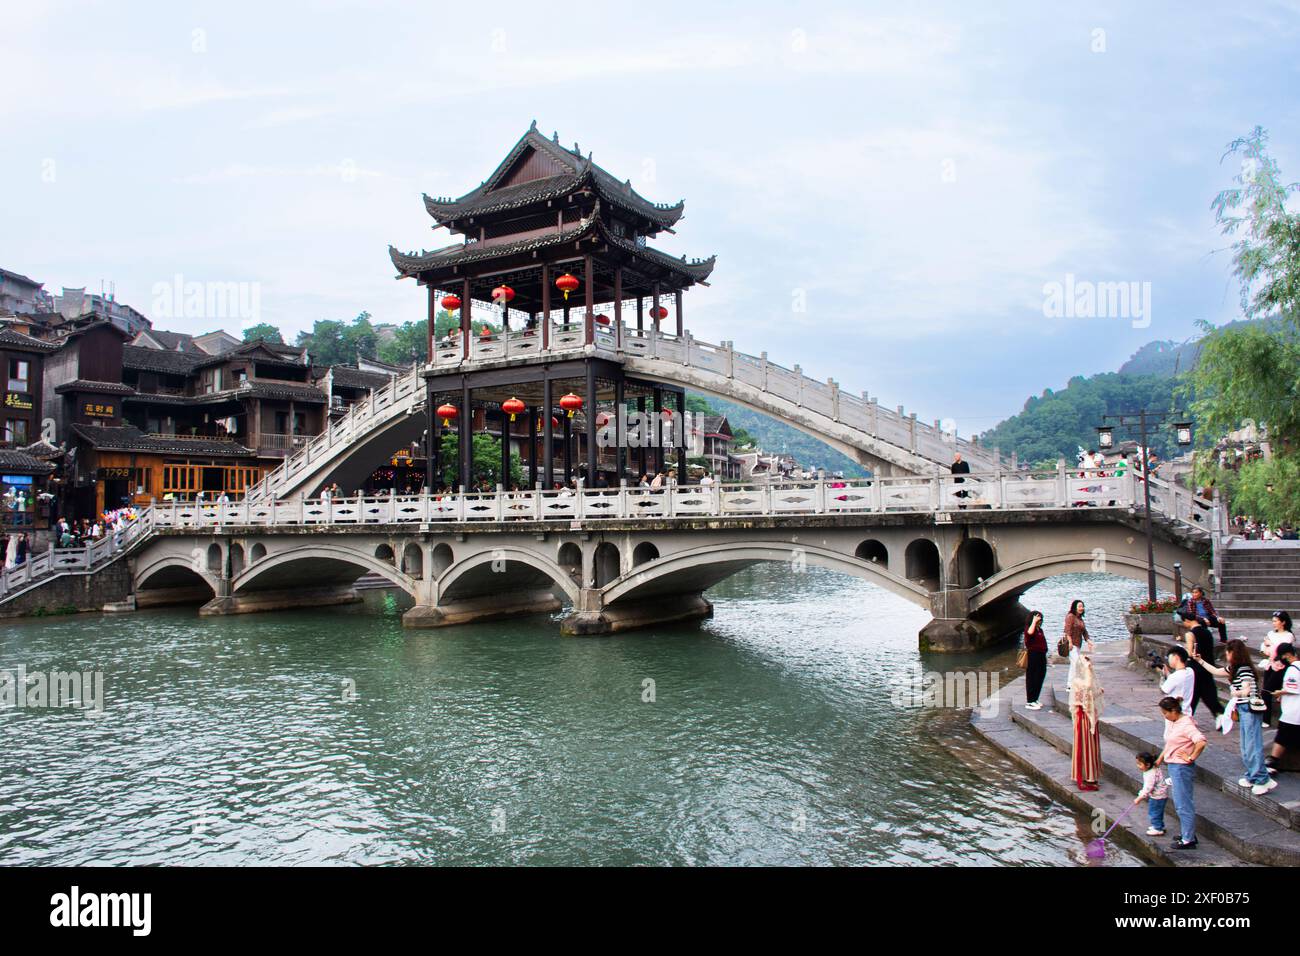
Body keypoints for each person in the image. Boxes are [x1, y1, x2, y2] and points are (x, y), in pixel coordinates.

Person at [1199, 639, 1276, 794]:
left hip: (1249, 709)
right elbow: (1215, 671)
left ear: (1234, 653)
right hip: (1243, 709)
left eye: (1228, 652)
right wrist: (1200, 661)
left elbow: (1246, 690)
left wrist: (1235, 692)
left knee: (1252, 745)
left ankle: (1262, 779)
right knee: (1246, 746)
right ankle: (1252, 776)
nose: (1227, 655)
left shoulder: (1244, 670)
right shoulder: (1235, 668)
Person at [1156, 696, 1206, 850]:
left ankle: (1188, 839)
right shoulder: (1175, 722)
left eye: (1165, 713)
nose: (1165, 716)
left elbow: (1201, 741)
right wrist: (1159, 759)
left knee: (1183, 804)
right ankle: (1187, 833)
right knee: (1181, 802)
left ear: (1173, 711)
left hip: (1181, 768)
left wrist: (1190, 757)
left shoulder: (1186, 725)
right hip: (1173, 765)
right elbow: (1171, 743)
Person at [1069, 631, 1102, 791]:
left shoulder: (1081, 680)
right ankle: (1086, 775)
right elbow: (1088, 686)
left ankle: (1091, 774)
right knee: (1086, 746)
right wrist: (1088, 669)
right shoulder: (1078, 681)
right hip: (1084, 719)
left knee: (1091, 746)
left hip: (1090, 717)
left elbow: (1093, 691)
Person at [1182, 619, 1225, 723]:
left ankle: (1187, 717)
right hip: (1207, 666)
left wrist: (1183, 649)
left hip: (1195, 666)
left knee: (1194, 693)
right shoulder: (1207, 632)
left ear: (1187, 621)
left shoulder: (1190, 634)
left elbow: (1190, 653)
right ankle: (1219, 713)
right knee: (1207, 693)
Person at [1267, 643, 1300, 775]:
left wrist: (1279, 693)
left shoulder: (1293, 669)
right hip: (1295, 710)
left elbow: (1292, 688)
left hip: (1292, 711)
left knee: (1282, 737)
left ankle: (1273, 762)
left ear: (1286, 655)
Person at [1261, 611, 1293, 727]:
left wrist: (1270, 644)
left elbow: (1280, 652)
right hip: (1270, 664)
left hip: (1281, 667)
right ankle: (1265, 719)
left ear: (1283, 622)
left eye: (1276, 621)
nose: (1273, 623)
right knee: (1266, 690)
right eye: (1273, 621)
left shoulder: (1288, 636)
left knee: (1267, 691)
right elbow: (1265, 649)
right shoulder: (1270, 633)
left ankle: (1267, 719)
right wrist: (1269, 646)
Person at [1133, 751, 1170, 837]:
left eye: (1139, 764)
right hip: (1161, 794)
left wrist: (1139, 798)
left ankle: (1157, 829)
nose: (1138, 766)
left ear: (1148, 765)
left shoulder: (1150, 774)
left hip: (1157, 796)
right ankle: (1159, 826)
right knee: (1158, 811)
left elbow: (1148, 788)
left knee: (1154, 812)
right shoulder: (1154, 768)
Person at [1022, 609, 1048, 710]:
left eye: (1041, 619)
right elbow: (1029, 633)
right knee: (1032, 677)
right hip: (1033, 655)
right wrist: (1033, 621)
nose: (1040, 621)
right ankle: (1030, 701)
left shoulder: (1039, 630)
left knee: (1040, 675)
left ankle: (1035, 698)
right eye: (1038, 619)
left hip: (1041, 655)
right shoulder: (1029, 628)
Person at [1159, 645, 1195, 711]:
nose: (1168, 660)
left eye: (1169, 657)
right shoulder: (1190, 671)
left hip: (1174, 714)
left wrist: (1162, 675)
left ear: (1176, 657)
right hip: (1187, 712)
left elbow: (1163, 690)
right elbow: (1177, 680)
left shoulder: (1174, 677)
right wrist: (1167, 673)